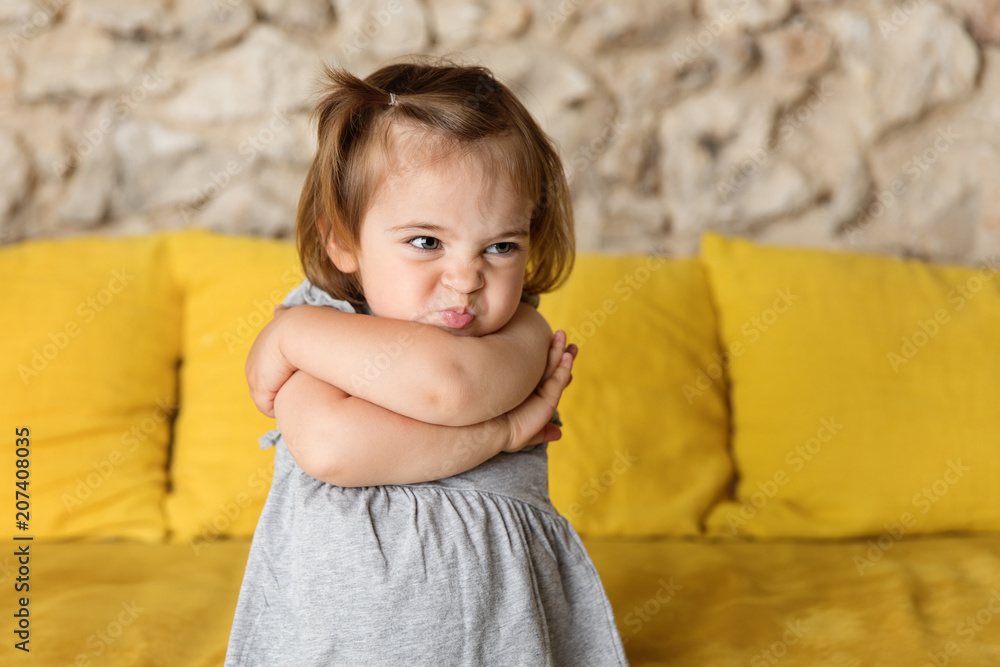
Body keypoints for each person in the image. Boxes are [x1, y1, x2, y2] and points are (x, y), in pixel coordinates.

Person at [225, 58, 629, 666]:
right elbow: (331, 446)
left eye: (500, 246)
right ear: (342, 239)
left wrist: (290, 337)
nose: (466, 279)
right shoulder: (319, 319)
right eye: (426, 241)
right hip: (336, 647)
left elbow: (449, 386)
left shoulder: (520, 330)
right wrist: (501, 433)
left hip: (498, 640)